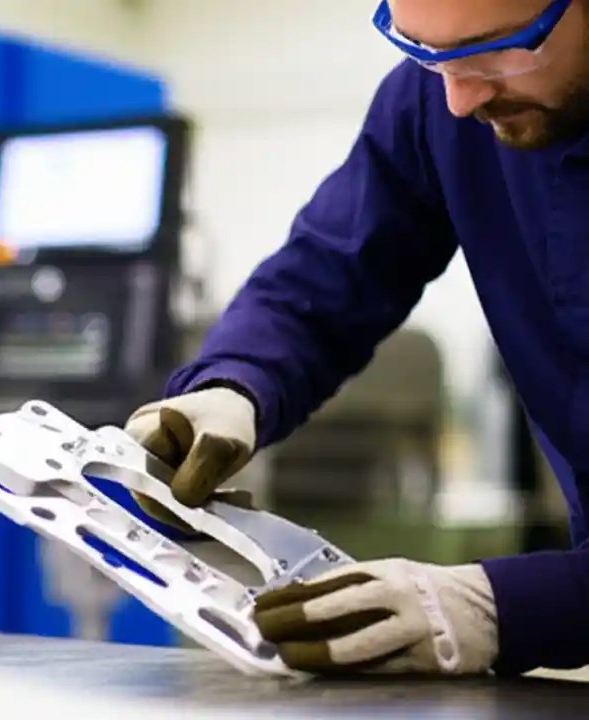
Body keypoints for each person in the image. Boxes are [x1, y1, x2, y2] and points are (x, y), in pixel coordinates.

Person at [125, 0, 589, 676]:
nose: (460, 100)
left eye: (498, 49)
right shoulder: (442, 98)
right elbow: (332, 268)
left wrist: (503, 607)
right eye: (427, 53)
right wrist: (232, 386)